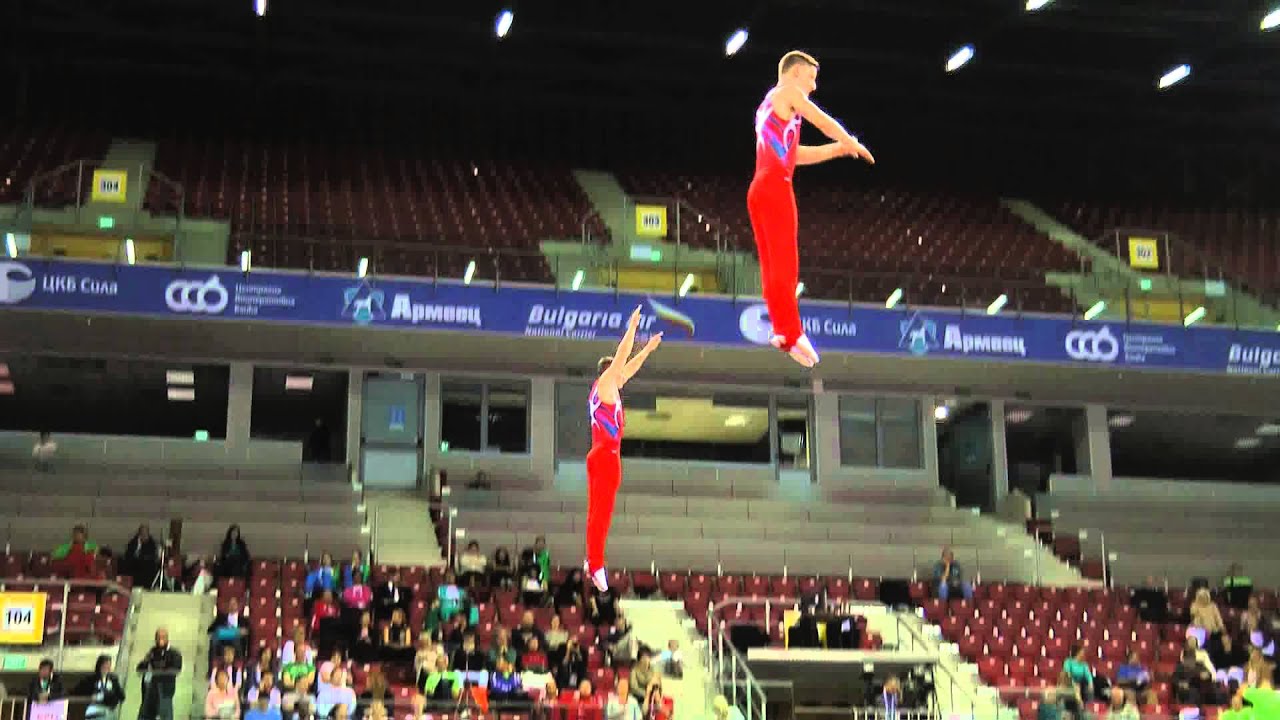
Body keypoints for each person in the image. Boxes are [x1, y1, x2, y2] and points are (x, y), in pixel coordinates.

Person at [746, 50, 874, 368]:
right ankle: (792, 331)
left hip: (759, 188)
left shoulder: (767, 106)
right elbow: (820, 119)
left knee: (771, 266)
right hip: (775, 186)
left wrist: (838, 149)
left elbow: (794, 154)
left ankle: (782, 331)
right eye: (811, 78)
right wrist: (850, 140)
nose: (814, 86)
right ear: (794, 73)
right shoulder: (788, 91)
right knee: (786, 264)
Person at [586, 306, 662, 591]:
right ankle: (596, 564)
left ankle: (592, 559)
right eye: (617, 371)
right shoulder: (605, 384)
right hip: (606, 456)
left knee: (596, 513)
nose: (622, 376)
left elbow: (629, 367)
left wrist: (648, 349)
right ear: (608, 371)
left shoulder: (610, 390)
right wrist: (632, 329)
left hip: (601, 455)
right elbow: (622, 358)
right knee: (601, 515)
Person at [137, 628, 182, 720]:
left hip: (165, 692)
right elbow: (140, 668)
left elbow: (176, 669)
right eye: (158, 637)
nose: (161, 639)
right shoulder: (152, 652)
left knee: (164, 715)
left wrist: (159, 670)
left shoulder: (174, 653)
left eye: (163, 637)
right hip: (150, 693)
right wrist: (146, 661)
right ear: (155, 639)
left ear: (167, 638)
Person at [121, 524, 161, 589]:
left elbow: (153, 556)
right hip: (134, 568)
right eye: (143, 533)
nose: (144, 535)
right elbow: (128, 555)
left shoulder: (152, 543)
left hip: (147, 569)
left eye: (146, 533)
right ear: (139, 533)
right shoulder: (133, 542)